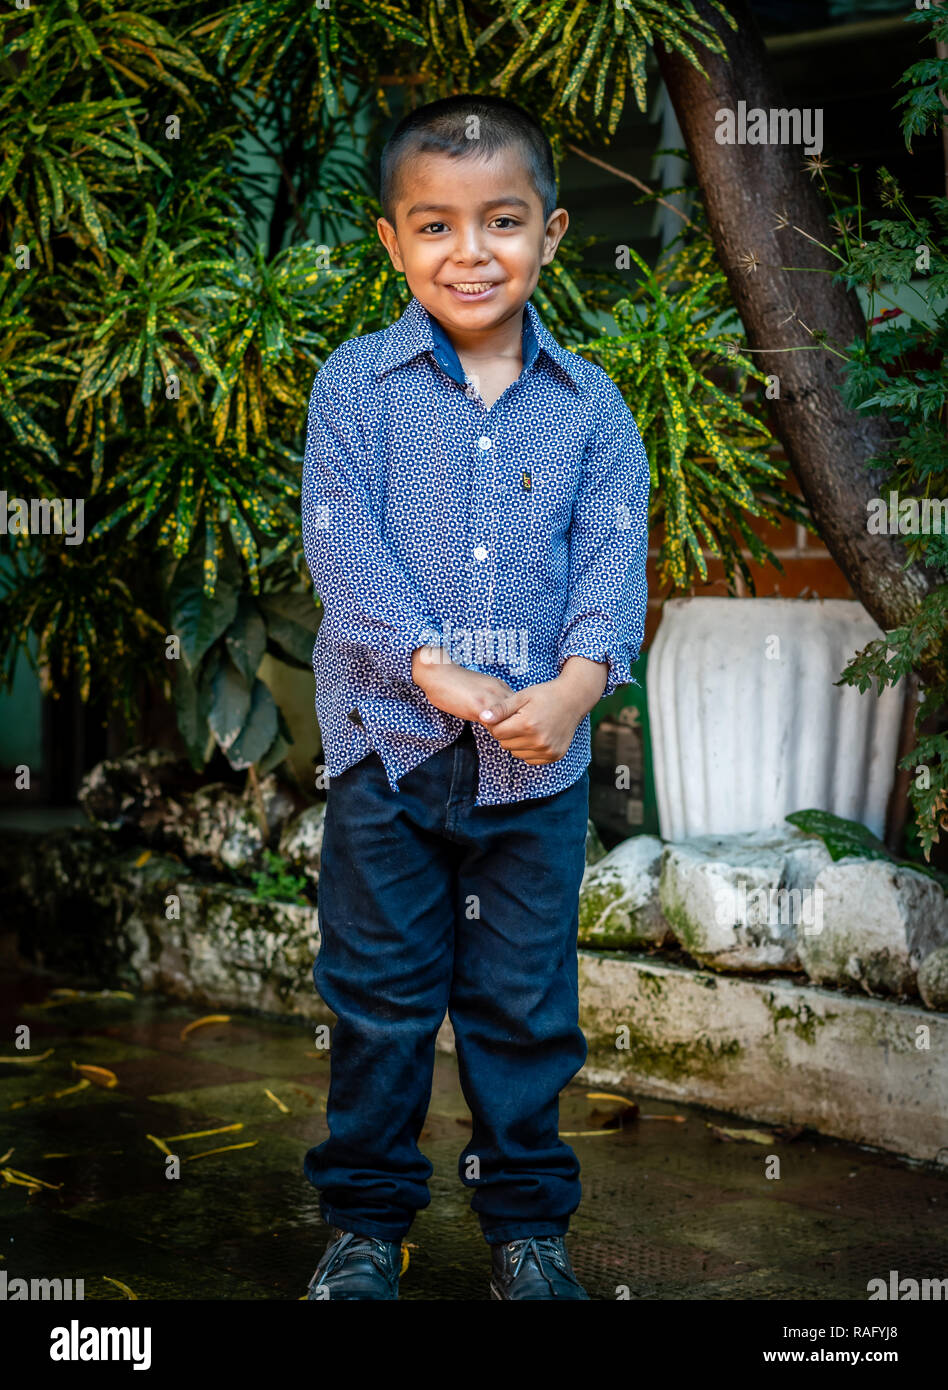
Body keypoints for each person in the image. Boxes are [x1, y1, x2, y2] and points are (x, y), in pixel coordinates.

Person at [300, 93, 650, 1301]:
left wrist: (576, 686)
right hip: (388, 751)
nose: (471, 252)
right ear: (392, 243)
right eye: (435, 226)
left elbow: (613, 560)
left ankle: (527, 1233)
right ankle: (364, 1228)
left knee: (522, 1009)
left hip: (535, 763)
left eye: (500, 221)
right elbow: (342, 551)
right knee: (381, 1004)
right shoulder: (355, 390)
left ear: (550, 233)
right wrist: (432, 666)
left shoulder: (594, 406)